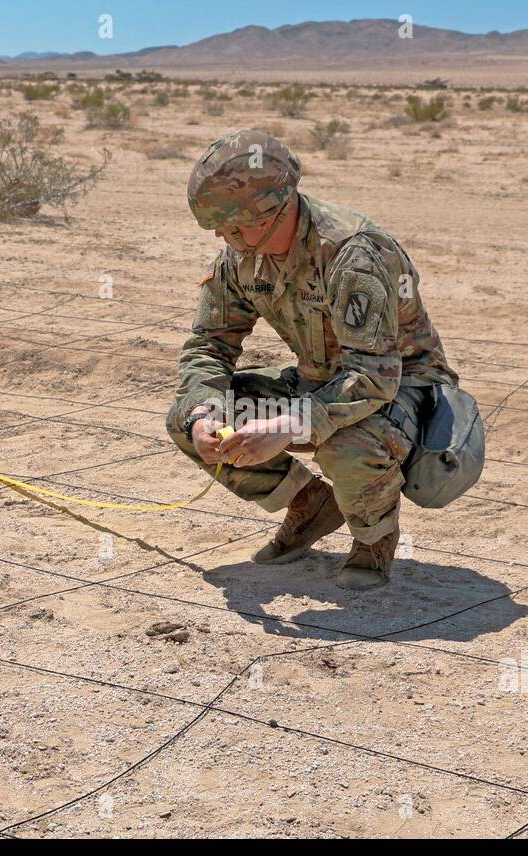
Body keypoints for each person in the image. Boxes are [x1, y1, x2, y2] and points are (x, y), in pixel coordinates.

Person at [167, 129, 458, 590]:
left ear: (279, 207)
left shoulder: (353, 253)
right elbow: (209, 345)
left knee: (345, 443)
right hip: (321, 382)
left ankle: (373, 540)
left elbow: (374, 375)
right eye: (220, 227)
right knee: (190, 418)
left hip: (405, 391)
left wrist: (287, 426)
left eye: (237, 224)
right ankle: (309, 504)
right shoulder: (242, 254)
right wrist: (205, 412)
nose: (225, 235)